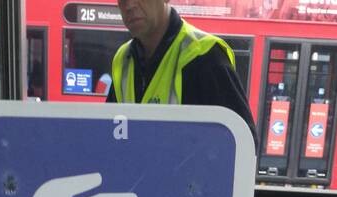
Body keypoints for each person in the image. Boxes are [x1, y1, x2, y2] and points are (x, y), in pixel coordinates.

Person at [104, 0, 257, 150]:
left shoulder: (206, 56)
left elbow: (244, 143)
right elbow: (106, 132)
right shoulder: (122, 60)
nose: (129, 5)